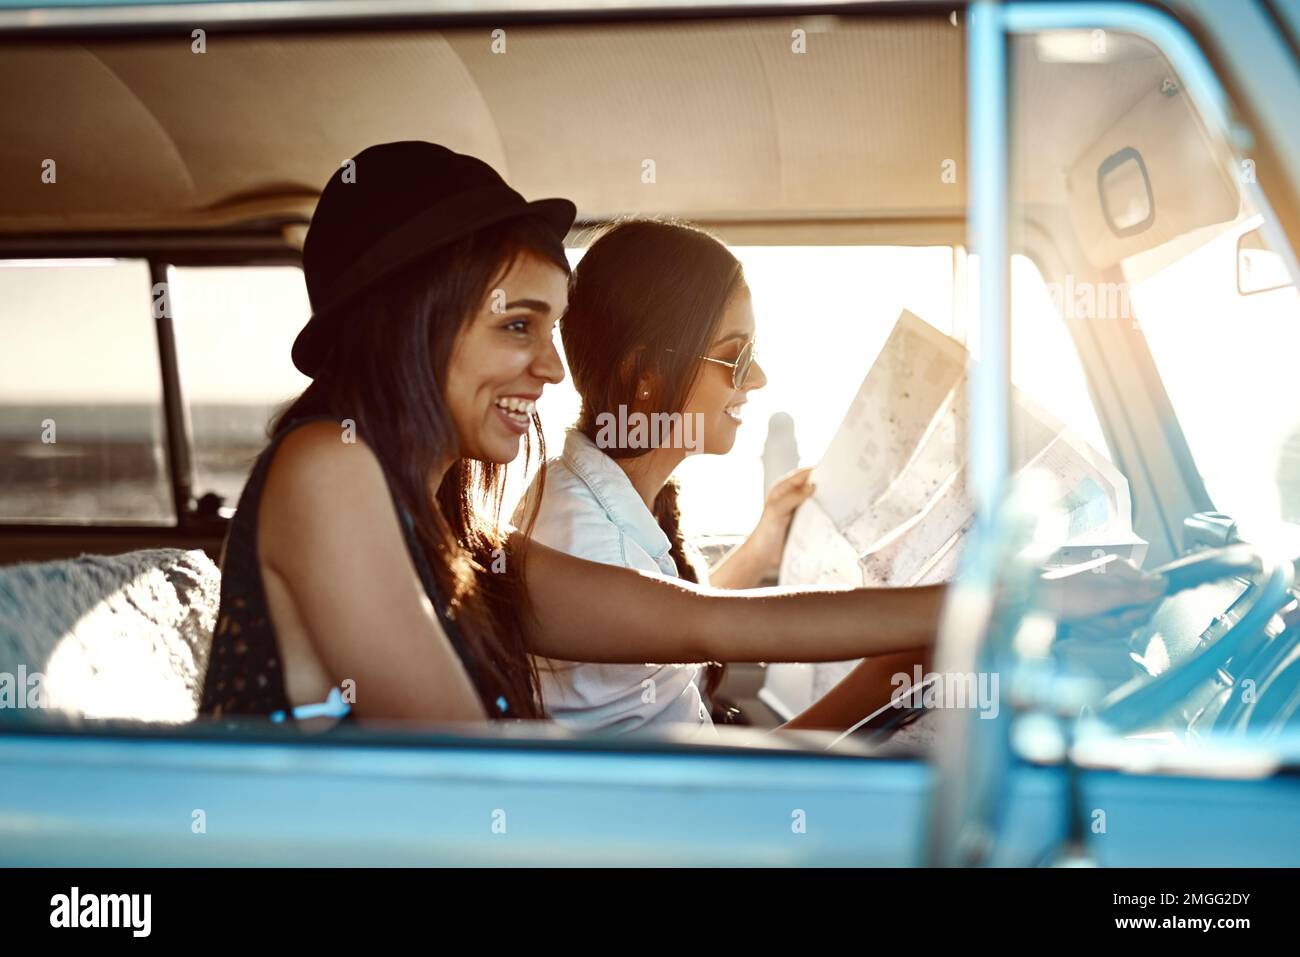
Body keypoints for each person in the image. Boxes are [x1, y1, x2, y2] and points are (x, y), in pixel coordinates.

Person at [198, 142, 1164, 731]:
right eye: (517, 325)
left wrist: (1012, 597)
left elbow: (721, 623)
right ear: (418, 320)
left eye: (553, 327)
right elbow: (472, 781)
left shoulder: (469, 542)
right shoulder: (329, 466)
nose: (553, 368)